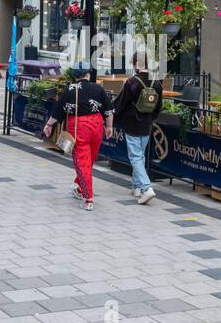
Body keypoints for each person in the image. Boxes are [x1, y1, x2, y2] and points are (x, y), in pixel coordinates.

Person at [42, 66, 113, 211]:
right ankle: (80, 187)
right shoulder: (98, 88)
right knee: (90, 160)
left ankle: (89, 198)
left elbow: (58, 110)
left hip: (79, 126)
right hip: (97, 125)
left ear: (75, 76)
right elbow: (109, 110)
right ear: (87, 75)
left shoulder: (69, 90)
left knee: (83, 162)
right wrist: (109, 127)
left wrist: (49, 125)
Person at [112, 51, 163, 205]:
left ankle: (147, 188)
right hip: (147, 125)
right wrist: (151, 119)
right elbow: (158, 107)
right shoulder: (157, 83)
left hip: (132, 124)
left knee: (135, 157)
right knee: (140, 156)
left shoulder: (132, 82)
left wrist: (111, 116)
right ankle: (136, 188)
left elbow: (120, 104)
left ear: (136, 64)